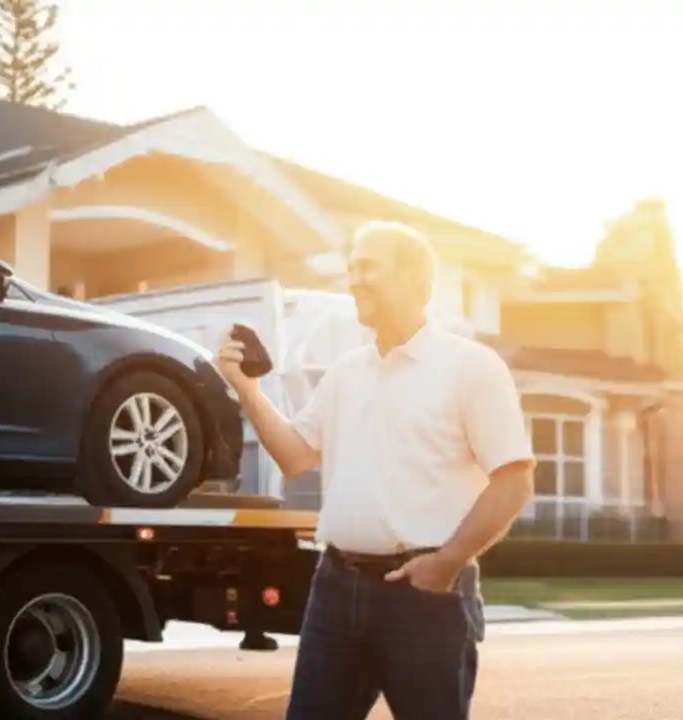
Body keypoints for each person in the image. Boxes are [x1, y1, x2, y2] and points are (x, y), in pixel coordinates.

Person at [216, 220, 535, 719]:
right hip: (336, 590)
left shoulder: (471, 368)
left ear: (415, 280)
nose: (354, 280)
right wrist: (246, 389)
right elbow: (295, 456)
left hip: (425, 597)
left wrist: (448, 561)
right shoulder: (347, 373)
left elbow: (514, 481)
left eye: (368, 268)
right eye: (351, 269)